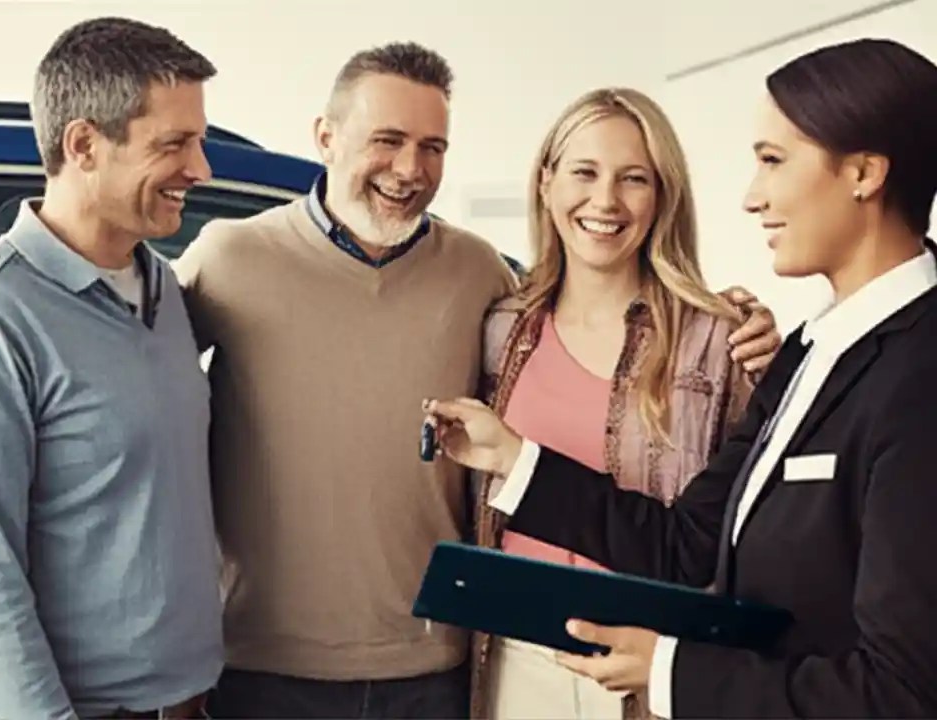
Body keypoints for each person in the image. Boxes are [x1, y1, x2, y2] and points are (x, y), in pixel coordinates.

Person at [174, 42, 780, 719]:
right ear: (326, 136)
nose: (410, 169)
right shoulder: (230, 260)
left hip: (444, 665)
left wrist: (750, 334)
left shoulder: (480, 277)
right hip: (269, 667)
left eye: (432, 146)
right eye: (388, 140)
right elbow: (131, 393)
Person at [426, 36, 937, 719]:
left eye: (773, 161)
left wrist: (670, 671)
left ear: (864, 174)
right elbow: (687, 544)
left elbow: (904, 692)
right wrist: (513, 460)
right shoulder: (811, 351)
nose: (753, 197)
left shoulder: (919, 377)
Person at [0, 17, 222, 720]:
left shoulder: (164, 290)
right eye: (174, 144)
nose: (201, 169)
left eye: (199, 141)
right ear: (83, 145)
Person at [469, 87, 758, 720]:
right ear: (546, 183)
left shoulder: (719, 337)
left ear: (663, 198)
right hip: (513, 656)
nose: (605, 201)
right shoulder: (501, 327)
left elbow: (749, 531)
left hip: (649, 668)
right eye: (584, 172)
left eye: (634, 179)